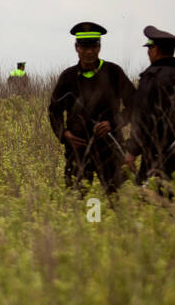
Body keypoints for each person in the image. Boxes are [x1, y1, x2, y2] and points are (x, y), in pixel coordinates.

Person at [46, 23, 135, 193]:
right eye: (84, 47)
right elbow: (54, 111)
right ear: (76, 47)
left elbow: (135, 105)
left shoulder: (113, 72)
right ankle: (90, 219)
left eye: (93, 46)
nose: (89, 51)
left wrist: (113, 123)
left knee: (114, 201)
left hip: (110, 149)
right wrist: (64, 134)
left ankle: (103, 219)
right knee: (77, 200)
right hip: (77, 150)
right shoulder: (68, 76)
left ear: (99, 47)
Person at [125, 25, 175, 189]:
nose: (148, 52)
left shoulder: (151, 78)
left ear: (156, 50)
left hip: (154, 155)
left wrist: (132, 151)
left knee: (148, 205)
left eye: (150, 47)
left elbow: (141, 119)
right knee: (167, 200)